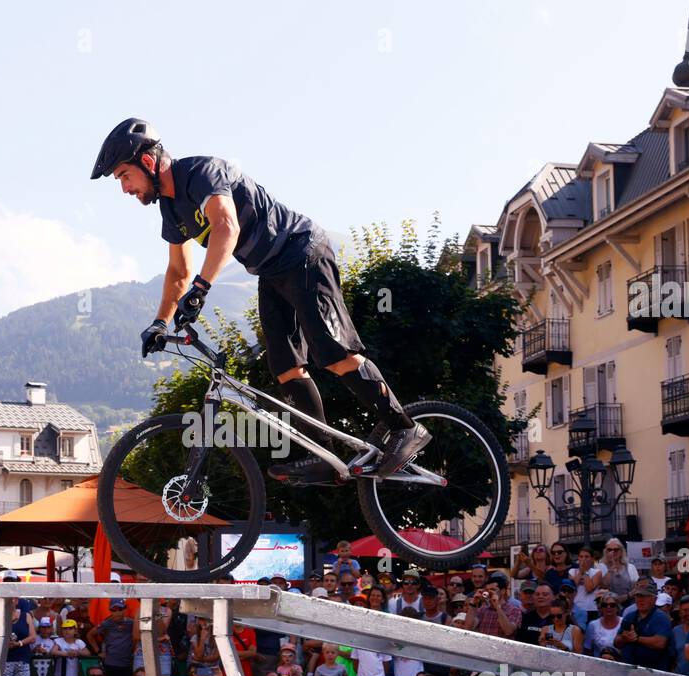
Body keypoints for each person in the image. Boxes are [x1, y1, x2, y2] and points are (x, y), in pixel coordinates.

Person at [91, 119, 437, 483]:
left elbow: (226, 226)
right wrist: (160, 322)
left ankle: (404, 428)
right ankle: (324, 455)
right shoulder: (171, 210)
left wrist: (203, 286)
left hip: (303, 252)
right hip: (270, 271)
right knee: (286, 367)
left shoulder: (201, 173)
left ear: (147, 163)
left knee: (331, 353)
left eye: (124, 175)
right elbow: (178, 271)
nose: (125, 188)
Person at [88, 599, 137, 676]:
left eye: (120, 609)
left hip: (127, 664)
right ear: (110, 610)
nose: (117, 612)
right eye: (114, 610)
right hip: (110, 664)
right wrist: (98, 652)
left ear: (125, 609)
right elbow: (90, 635)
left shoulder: (132, 623)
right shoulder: (106, 623)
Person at [594, 538, 638, 606]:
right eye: (609, 550)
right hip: (608, 606)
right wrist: (610, 570)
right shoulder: (600, 567)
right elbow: (602, 586)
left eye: (616, 550)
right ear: (606, 552)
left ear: (621, 552)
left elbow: (636, 587)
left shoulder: (630, 567)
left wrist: (625, 597)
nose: (613, 552)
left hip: (629, 603)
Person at [583, 592, 625, 659]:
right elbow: (587, 649)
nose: (608, 607)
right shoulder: (592, 625)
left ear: (618, 607)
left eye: (612, 605)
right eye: (605, 605)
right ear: (601, 608)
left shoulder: (624, 622)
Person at [569, 546, 600, 626]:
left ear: (592, 559)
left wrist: (585, 572)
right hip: (576, 609)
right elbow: (572, 587)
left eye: (586, 557)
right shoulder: (572, 571)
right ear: (578, 558)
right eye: (581, 556)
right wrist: (580, 573)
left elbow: (589, 588)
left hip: (591, 609)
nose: (583, 559)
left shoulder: (597, 572)